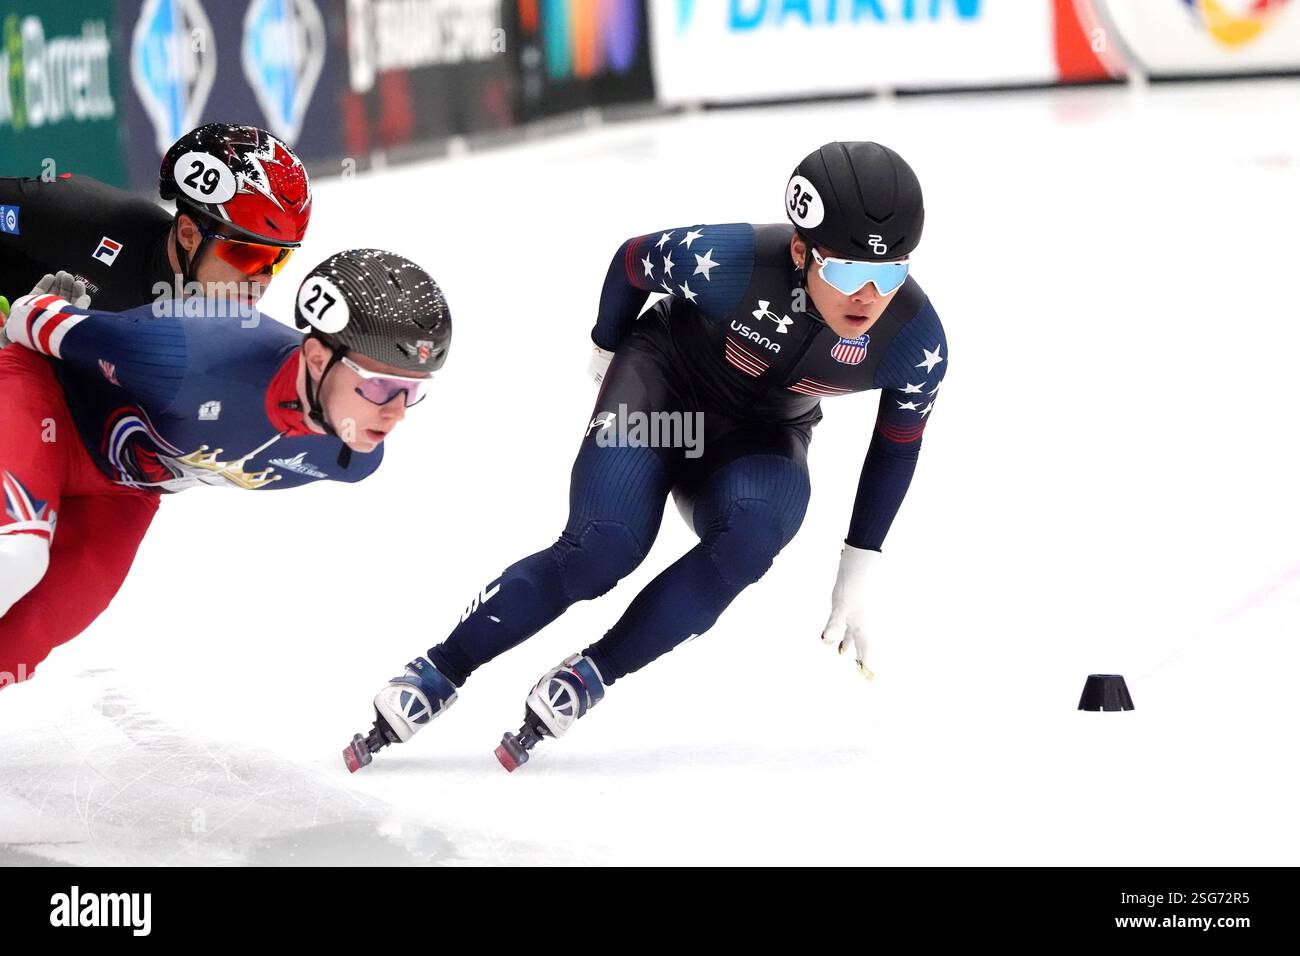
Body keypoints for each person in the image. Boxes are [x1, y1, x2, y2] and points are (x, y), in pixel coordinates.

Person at [344, 141, 948, 773]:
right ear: (801, 251)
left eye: (892, 274)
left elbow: (897, 441)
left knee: (753, 535)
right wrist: (607, 349)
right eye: (848, 273)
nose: (870, 295)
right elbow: (632, 261)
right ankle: (443, 667)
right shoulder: (733, 264)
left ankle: (592, 673)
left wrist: (861, 559)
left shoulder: (915, 338)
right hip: (663, 394)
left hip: (758, 436)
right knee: (603, 547)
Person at [0, 250, 451, 689]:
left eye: (412, 392)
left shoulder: (352, 457)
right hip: (43, 404)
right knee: (18, 554)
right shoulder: (189, 354)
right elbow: (28, 316)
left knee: (29, 637)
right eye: (379, 387)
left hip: (125, 490)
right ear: (316, 358)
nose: (396, 413)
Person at [0, 122, 312, 315]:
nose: (264, 278)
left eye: (278, 258)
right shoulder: (79, 215)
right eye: (247, 254)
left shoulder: (230, 341)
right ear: (189, 235)